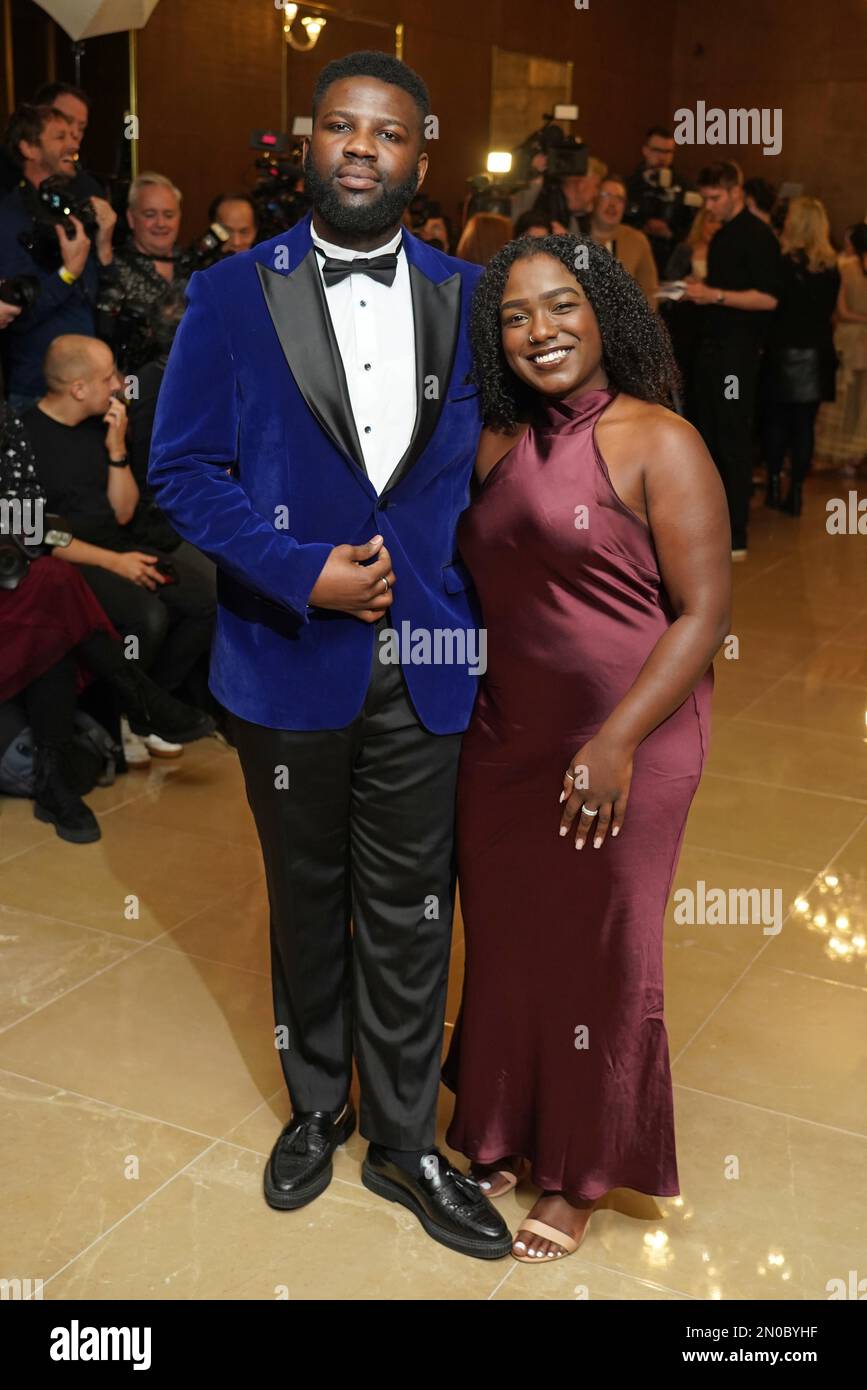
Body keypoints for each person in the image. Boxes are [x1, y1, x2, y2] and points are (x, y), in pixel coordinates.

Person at [148, 49, 510, 1260]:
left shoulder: (471, 298)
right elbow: (181, 471)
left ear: (424, 150)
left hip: (430, 657)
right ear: (309, 143)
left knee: (412, 908)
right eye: (340, 128)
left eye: (387, 133)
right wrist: (299, 569)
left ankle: (407, 1144)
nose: (362, 148)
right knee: (307, 900)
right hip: (285, 653)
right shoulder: (230, 293)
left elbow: (512, 470)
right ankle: (318, 1106)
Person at [441, 234, 731, 1261]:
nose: (540, 331)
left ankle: (577, 1170)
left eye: (561, 306)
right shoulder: (492, 442)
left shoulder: (662, 439)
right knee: (511, 936)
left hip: (632, 731)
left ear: (605, 311)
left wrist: (613, 741)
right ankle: (499, 1125)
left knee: (606, 950)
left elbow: (702, 613)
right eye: (515, 316)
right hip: (507, 731)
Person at [0, 403, 216, 843]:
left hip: (21, 559)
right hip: (35, 561)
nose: (119, 386)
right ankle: (137, 698)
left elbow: (30, 519)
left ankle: (55, 779)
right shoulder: (31, 425)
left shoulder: (9, 420)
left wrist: (116, 452)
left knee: (53, 593)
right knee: (56, 588)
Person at [21, 335, 217, 701]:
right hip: (69, 560)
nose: (119, 385)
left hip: (120, 544)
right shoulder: (25, 438)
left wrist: (116, 450)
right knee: (147, 618)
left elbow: (124, 512)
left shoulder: (104, 426)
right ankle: (123, 706)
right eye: (108, 377)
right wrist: (115, 563)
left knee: (204, 602)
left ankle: (152, 702)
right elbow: (36, 535)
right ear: (78, 389)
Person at [682, 161, 782, 558]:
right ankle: (711, 527)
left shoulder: (758, 237)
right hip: (711, 350)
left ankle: (735, 531)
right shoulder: (723, 236)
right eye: (705, 198)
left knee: (732, 440)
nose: (709, 206)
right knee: (705, 438)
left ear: (736, 192)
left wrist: (715, 295)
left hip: (737, 357)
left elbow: (770, 298)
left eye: (716, 198)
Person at [0, 102, 117, 411]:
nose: (73, 144)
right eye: (60, 137)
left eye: (74, 136)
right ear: (28, 147)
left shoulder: (72, 208)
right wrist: (69, 272)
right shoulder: (9, 218)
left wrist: (104, 248)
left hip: (93, 392)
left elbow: (104, 302)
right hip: (37, 394)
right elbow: (16, 317)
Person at [760, 197, 840, 513]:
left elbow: (773, 309)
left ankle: (774, 483)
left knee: (776, 422)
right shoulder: (831, 268)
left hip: (782, 351)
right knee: (805, 426)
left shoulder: (781, 263)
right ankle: (796, 491)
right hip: (818, 352)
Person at [814, 222, 867, 474]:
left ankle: (842, 453)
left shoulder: (844, 268)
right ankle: (857, 455)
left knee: (842, 398)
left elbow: (841, 311)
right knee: (861, 400)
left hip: (848, 338)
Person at [624, 126, 695, 276]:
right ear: (645, 150)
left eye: (668, 152)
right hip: (633, 260)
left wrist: (671, 232)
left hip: (670, 262)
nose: (662, 157)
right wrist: (643, 226)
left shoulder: (684, 188)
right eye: (657, 150)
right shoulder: (628, 186)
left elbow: (693, 226)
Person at [588, 175, 659, 306]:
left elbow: (650, 292)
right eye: (607, 195)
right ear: (595, 199)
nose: (612, 204)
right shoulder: (576, 234)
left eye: (619, 199)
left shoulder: (637, 240)